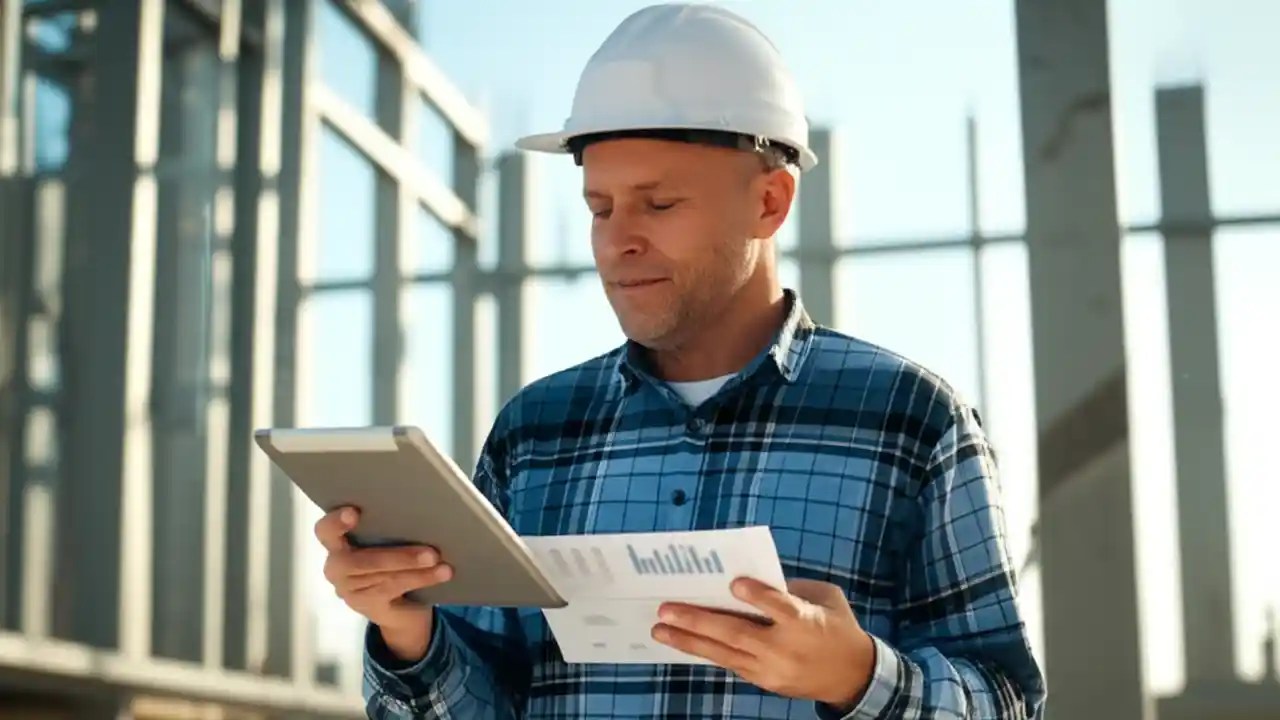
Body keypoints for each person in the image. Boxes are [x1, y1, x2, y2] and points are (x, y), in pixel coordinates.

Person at [315, 4, 1046, 718]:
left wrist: (859, 677)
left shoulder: (911, 421)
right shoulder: (533, 434)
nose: (617, 241)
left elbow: (1009, 700)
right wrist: (406, 632)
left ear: (770, 202)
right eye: (600, 207)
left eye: (658, 204)